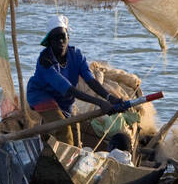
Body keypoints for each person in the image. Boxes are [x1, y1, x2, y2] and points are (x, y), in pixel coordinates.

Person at [25, 14, 126, 147]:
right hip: (41, 96)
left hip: (64, 100)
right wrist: (101, 103)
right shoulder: (45, 61)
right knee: (63, 129)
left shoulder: (77, 56)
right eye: (55, 38)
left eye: (63, 37)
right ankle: (63, 162)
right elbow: (68, 89)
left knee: (76, 136)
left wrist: (109, 98)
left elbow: (90, 80)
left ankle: (49, 141)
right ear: (49, 41)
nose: (60, 41)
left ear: (68, 38)